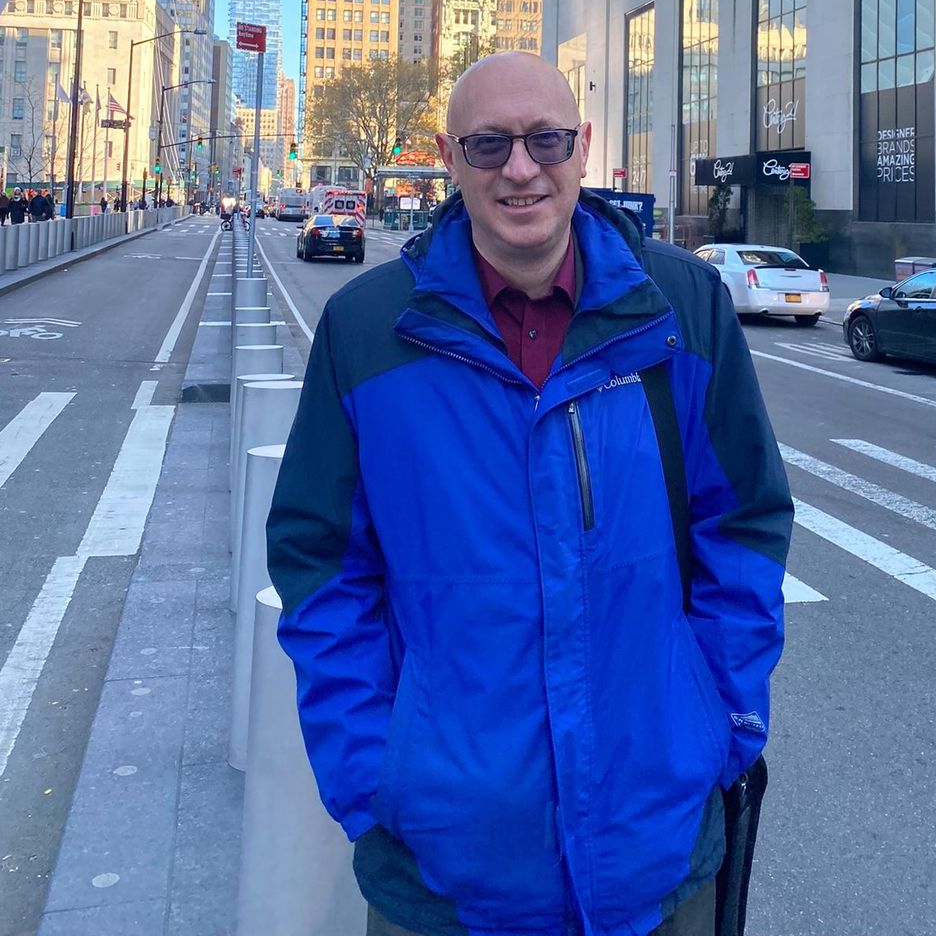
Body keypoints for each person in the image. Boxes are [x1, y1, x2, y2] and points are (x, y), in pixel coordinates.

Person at [267, 51, 794, 936]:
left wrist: (721, 721)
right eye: (489, 145)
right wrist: (373, 771)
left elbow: (744, 522)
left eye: (545, 139)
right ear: (450, 156)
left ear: (581, 148)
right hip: (444, 878)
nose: (521, 168)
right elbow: (321, 565)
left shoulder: (683, 307)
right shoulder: (365, 329)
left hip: (658, 859)